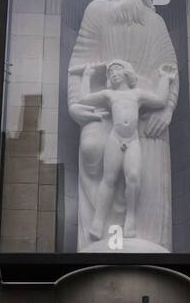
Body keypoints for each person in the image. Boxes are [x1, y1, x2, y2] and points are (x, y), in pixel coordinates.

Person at [71, 59, 177, 241]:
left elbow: (160, 100)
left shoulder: (137, 94)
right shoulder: (109, 95)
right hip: (115, 137)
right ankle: (98, 221)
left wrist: (165, 79)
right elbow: (83, 99)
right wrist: (87, 76)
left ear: (127, 72)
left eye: (117, 69)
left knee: (134, 177)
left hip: (133, 139)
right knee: (109, 179)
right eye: (110, 71)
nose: (113, 73)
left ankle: (131, 217)